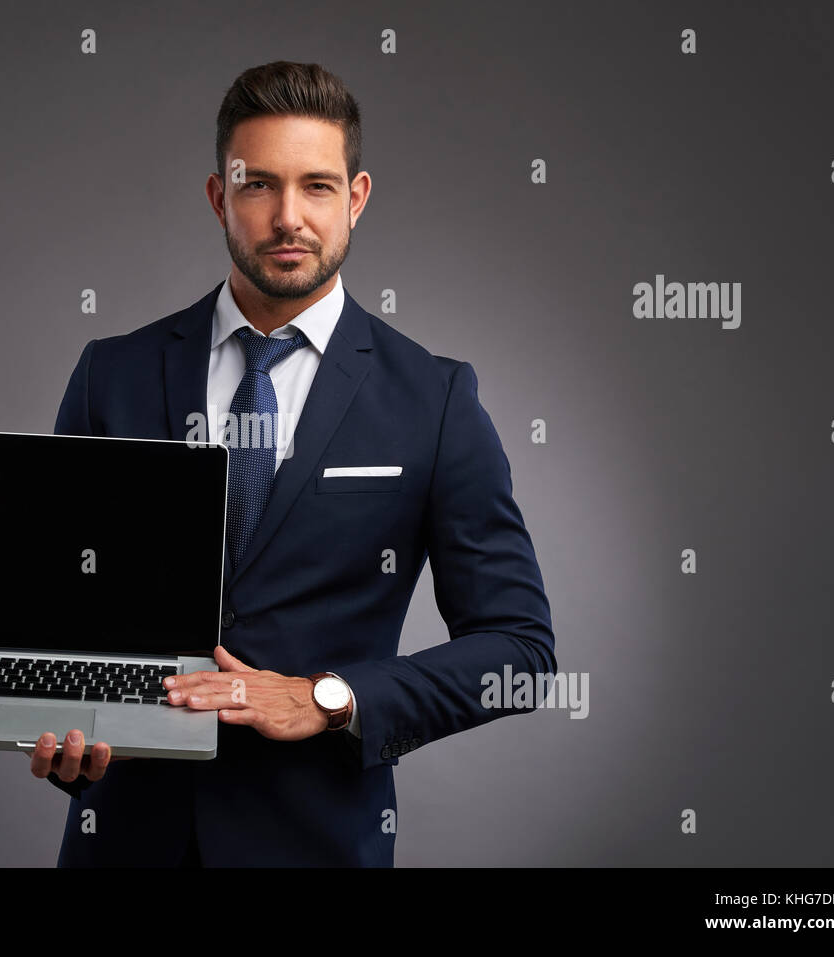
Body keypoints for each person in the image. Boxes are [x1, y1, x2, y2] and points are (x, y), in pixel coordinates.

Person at [32, 60, 555, 866]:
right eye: (258, 186)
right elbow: (54, 609)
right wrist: (67, 732)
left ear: (357, 197)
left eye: (316, 186)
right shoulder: (113, 372)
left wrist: (327, 696)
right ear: (219, 197)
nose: (287, 218)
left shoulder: (435, 398)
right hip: (124, 842)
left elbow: (520, 647)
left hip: (317, 844)